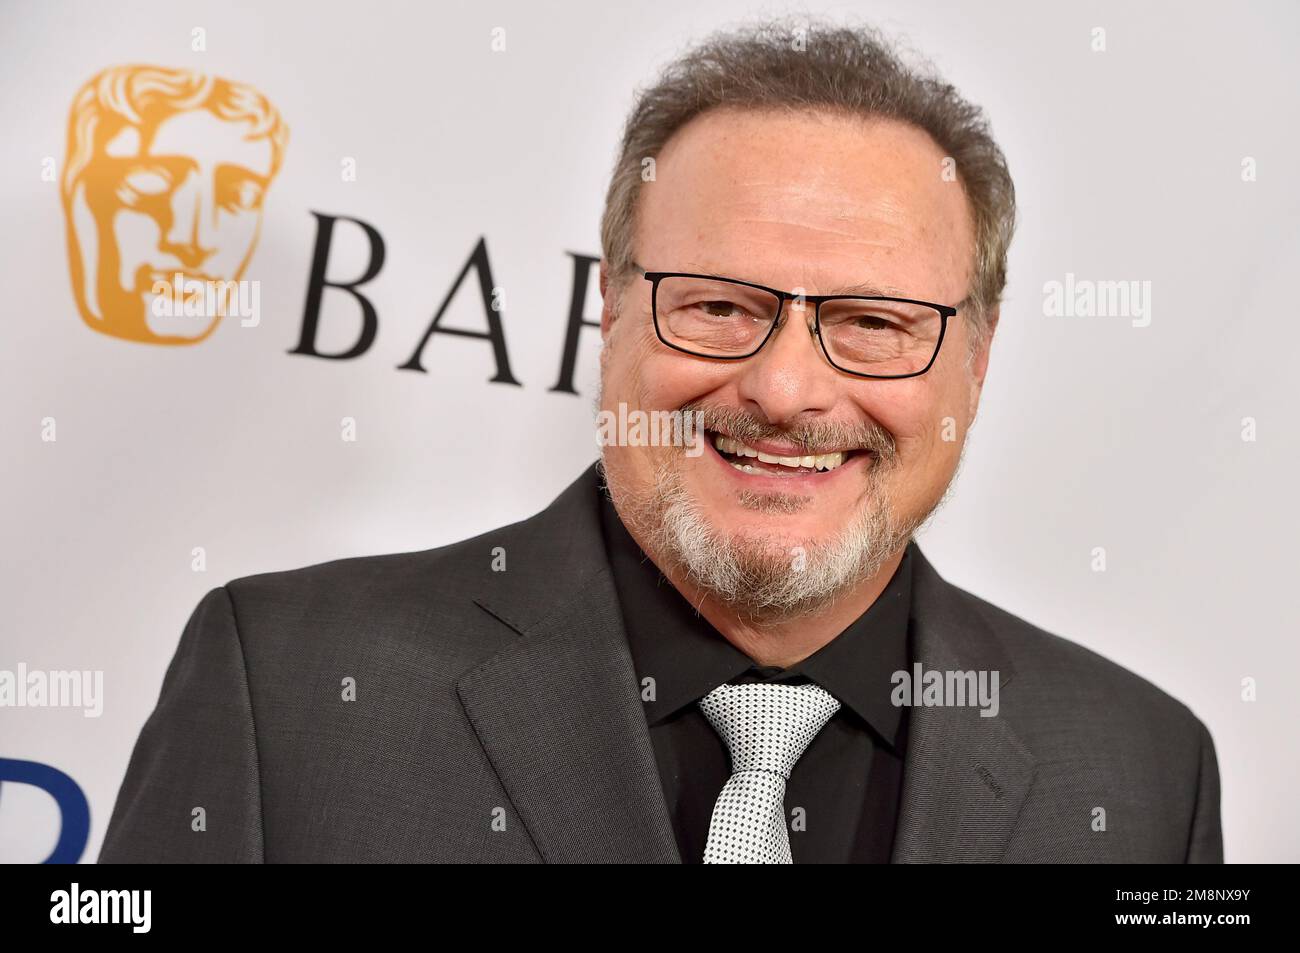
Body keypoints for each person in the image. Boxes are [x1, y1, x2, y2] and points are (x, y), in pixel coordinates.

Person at [100, 19, 1222, 863]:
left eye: (873, 323)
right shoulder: (289, 686)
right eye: (718, 305)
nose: (784, 389)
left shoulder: (1140, 772)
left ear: (973, 364)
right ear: (610, 314)